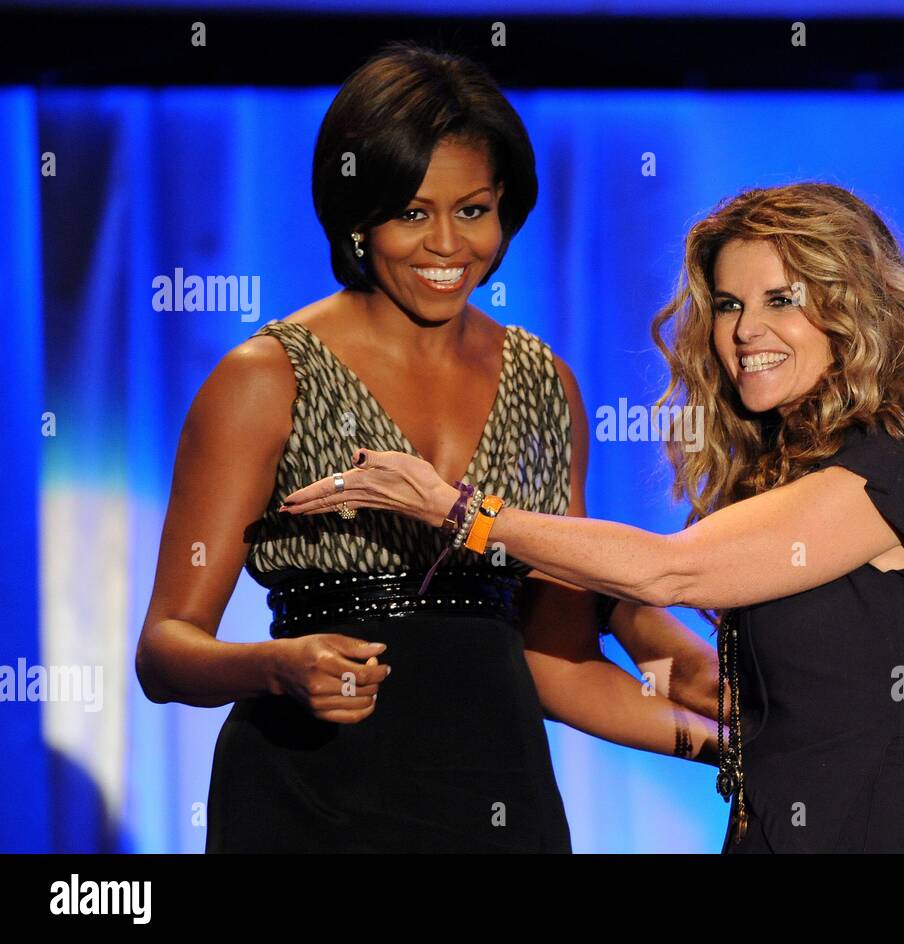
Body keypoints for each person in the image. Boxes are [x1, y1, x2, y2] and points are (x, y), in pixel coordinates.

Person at [283, 181, 904, 853]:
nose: (746, 331)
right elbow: (706, 685)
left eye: (781, 300)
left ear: (855, 310)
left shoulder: (898, 467)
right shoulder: (795, 479)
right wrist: (587, 604)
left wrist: (454, 509)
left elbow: (672, 568)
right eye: (728, 304)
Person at [135, 42, 717, 854]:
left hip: (496, 791)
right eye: (412, 213)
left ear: (505, 205)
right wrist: (276, 667)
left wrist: (727, 746)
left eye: (472, 210)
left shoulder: (547, 384)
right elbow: (164, 650)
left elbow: (561, 658)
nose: (447, 245)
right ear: (356, 216)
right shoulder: (266, 378)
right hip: (309, 794)